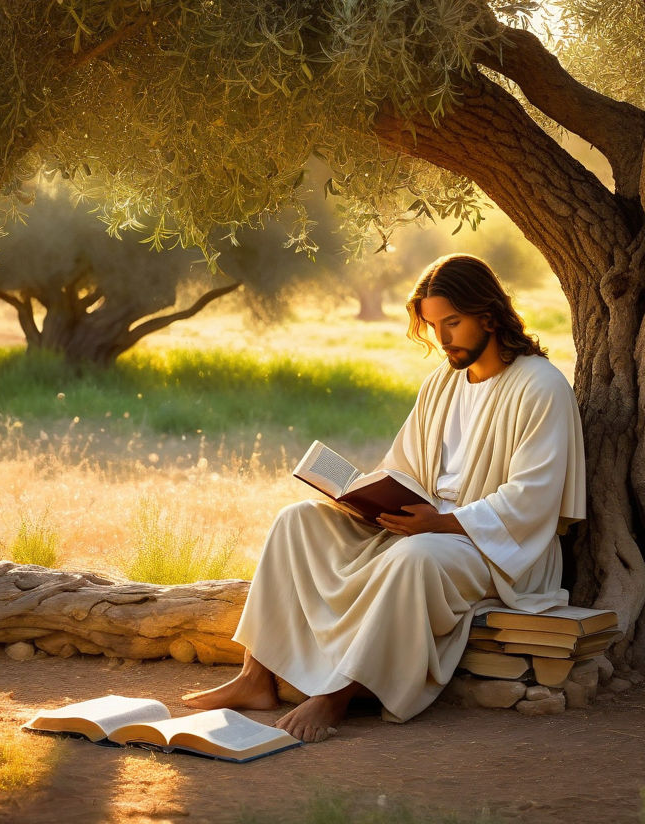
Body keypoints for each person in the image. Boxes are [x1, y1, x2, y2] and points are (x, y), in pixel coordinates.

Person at [182, 253, 586, 742]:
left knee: (415, 556)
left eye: (453, 323)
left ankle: (338, 695)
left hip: (495, 547)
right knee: (297, 521)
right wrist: (365, 497)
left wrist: (440, 523)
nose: (443, 338)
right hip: (424, 525)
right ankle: (255, 677)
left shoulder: (541, 386)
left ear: (489, 314)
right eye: (434, 325)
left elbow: (531, 500)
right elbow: (405, 467)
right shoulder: (442, 383)